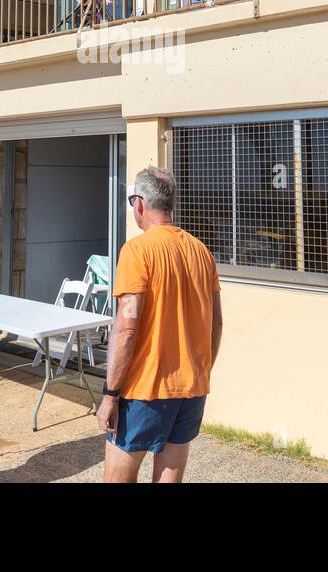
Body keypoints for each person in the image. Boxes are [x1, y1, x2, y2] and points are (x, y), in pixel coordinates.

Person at [98, 167, 222, 483]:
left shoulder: (137, 251)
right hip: (191, 387)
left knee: (118, 476)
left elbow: (126, 329)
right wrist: (202, 369)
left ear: (138, 204)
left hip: (145, 388)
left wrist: (111, 393)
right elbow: (216, 323)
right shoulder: (201, 251)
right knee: (170, 476)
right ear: (171, 204)